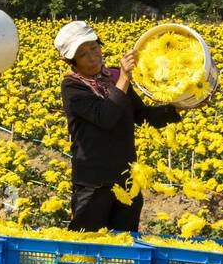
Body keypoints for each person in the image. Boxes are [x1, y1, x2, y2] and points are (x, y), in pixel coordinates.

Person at [57, 21, 182, 232]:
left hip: (126, 177)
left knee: (124, 243)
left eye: (94, 48)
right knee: (87, 245)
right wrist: (124, 78)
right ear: (71, 61)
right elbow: (105, 117)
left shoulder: (113, 76)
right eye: (83, 54)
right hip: (93, 183)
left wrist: (179, 107)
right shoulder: (72, 87)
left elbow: (143, 117)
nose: (93, 56)